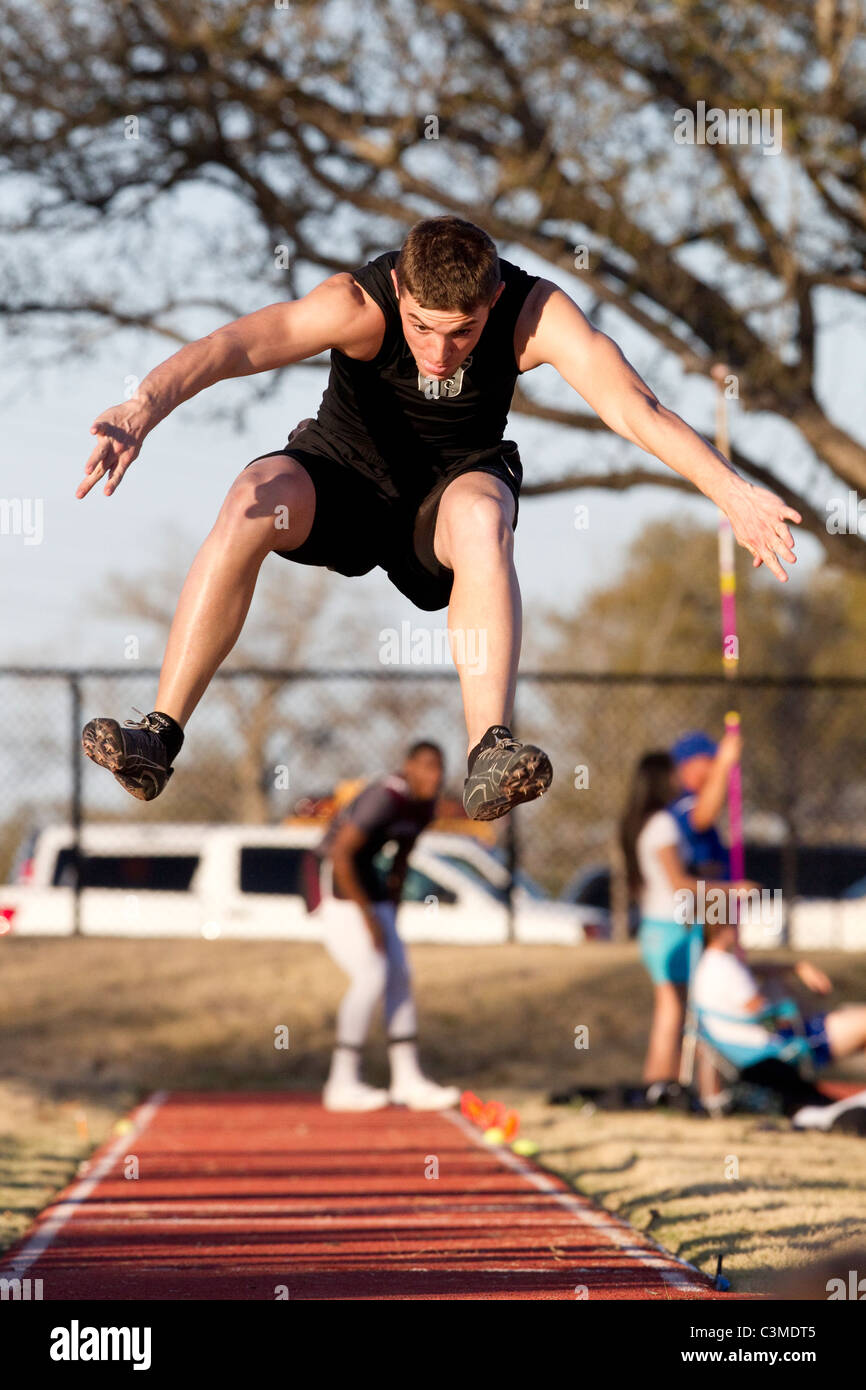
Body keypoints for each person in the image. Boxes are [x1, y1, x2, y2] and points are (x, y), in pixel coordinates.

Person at [77, 215, 800, 817]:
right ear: (399, 290)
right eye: (423, 327)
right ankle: (160, 735)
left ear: (492, 299)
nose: (439, 351)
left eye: (462, 332)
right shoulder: (355, 304)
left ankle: (490, 750)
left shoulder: (534, 313)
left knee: (485, 517)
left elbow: (631, 407)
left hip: (450, 496)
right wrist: (147, 403)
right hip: (342, 481)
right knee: (249, 498)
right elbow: (235, 346)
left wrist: (730, 491)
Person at [314, 739, 460, 1113]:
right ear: (408, 767)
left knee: (399, 974)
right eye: (427, 767)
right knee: (371, 975)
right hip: (335, 884)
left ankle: (407, 1080)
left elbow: (402, 860)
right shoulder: (384, 797)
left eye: (440, 767)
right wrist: (368, 920)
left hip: (370, 888)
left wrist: (391, 911)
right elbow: (341, 854)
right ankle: (341, 1083)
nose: (435, 775)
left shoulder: (425, 805)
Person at [619, 750, 756, 1101]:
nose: (678, 780)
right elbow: (679, 883)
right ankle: (660, 1085)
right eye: (672, 775)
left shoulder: (640, 824)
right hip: (671, 927)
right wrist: (730, 890)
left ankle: (666, 1087)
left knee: (675, 1008)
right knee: (674, 1010)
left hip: (656, 926)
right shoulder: (662, 824)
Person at [692, 918, 866, 1132]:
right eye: (735, 924)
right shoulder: (726, 969)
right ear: (723, 929)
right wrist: (788, 1005)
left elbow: (757, 971)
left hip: (763, 1045)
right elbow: (760, 1011)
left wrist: (796, 968)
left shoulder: (711, 964)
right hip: (784, 1045)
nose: (740, 929)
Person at [669, 728, 741, 881]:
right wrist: (723, 765)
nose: (713, 766)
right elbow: (701, 818)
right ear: (687, 765)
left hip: (713, 899)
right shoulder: (680, 802)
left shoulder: (694, 798)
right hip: (696, 900)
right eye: (710, 760)